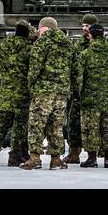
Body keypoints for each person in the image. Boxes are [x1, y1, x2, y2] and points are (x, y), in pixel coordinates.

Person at [20, 17, 76, 170]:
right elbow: (74, 68)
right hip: (62, 93)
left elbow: (34, 69)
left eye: (40, 27)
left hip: (43, 92)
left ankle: (35, 158)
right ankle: (56, 159)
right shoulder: (68, 44)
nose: (38, 31)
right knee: (56, 126)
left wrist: (31, 87)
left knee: (36, 125)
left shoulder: (42, 43)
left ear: (46, 28)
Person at [77, 22, 108, 167]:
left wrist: (79, 94)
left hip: (90, 99)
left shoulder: (85, 54)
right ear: (103, 34)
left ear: (90, 35)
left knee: (90, 128)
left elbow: (79, 78)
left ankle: (92, 158)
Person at [0, 20, 33, 166]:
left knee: (2, 126)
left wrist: (5, 78)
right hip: (22, 94)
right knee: (19, 127)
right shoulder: (28, 49)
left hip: (6, 92)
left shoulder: (4, 46)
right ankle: (14, 157)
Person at [65, 13, 95, 163]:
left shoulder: (102, 45)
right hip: (78, 90)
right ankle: (74, 152)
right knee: (73, 122)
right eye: (83, 25)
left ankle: (93, 154)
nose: (85, 28)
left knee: (92, 125)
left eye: (87, 26)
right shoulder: (79, 44)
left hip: (93, 91)